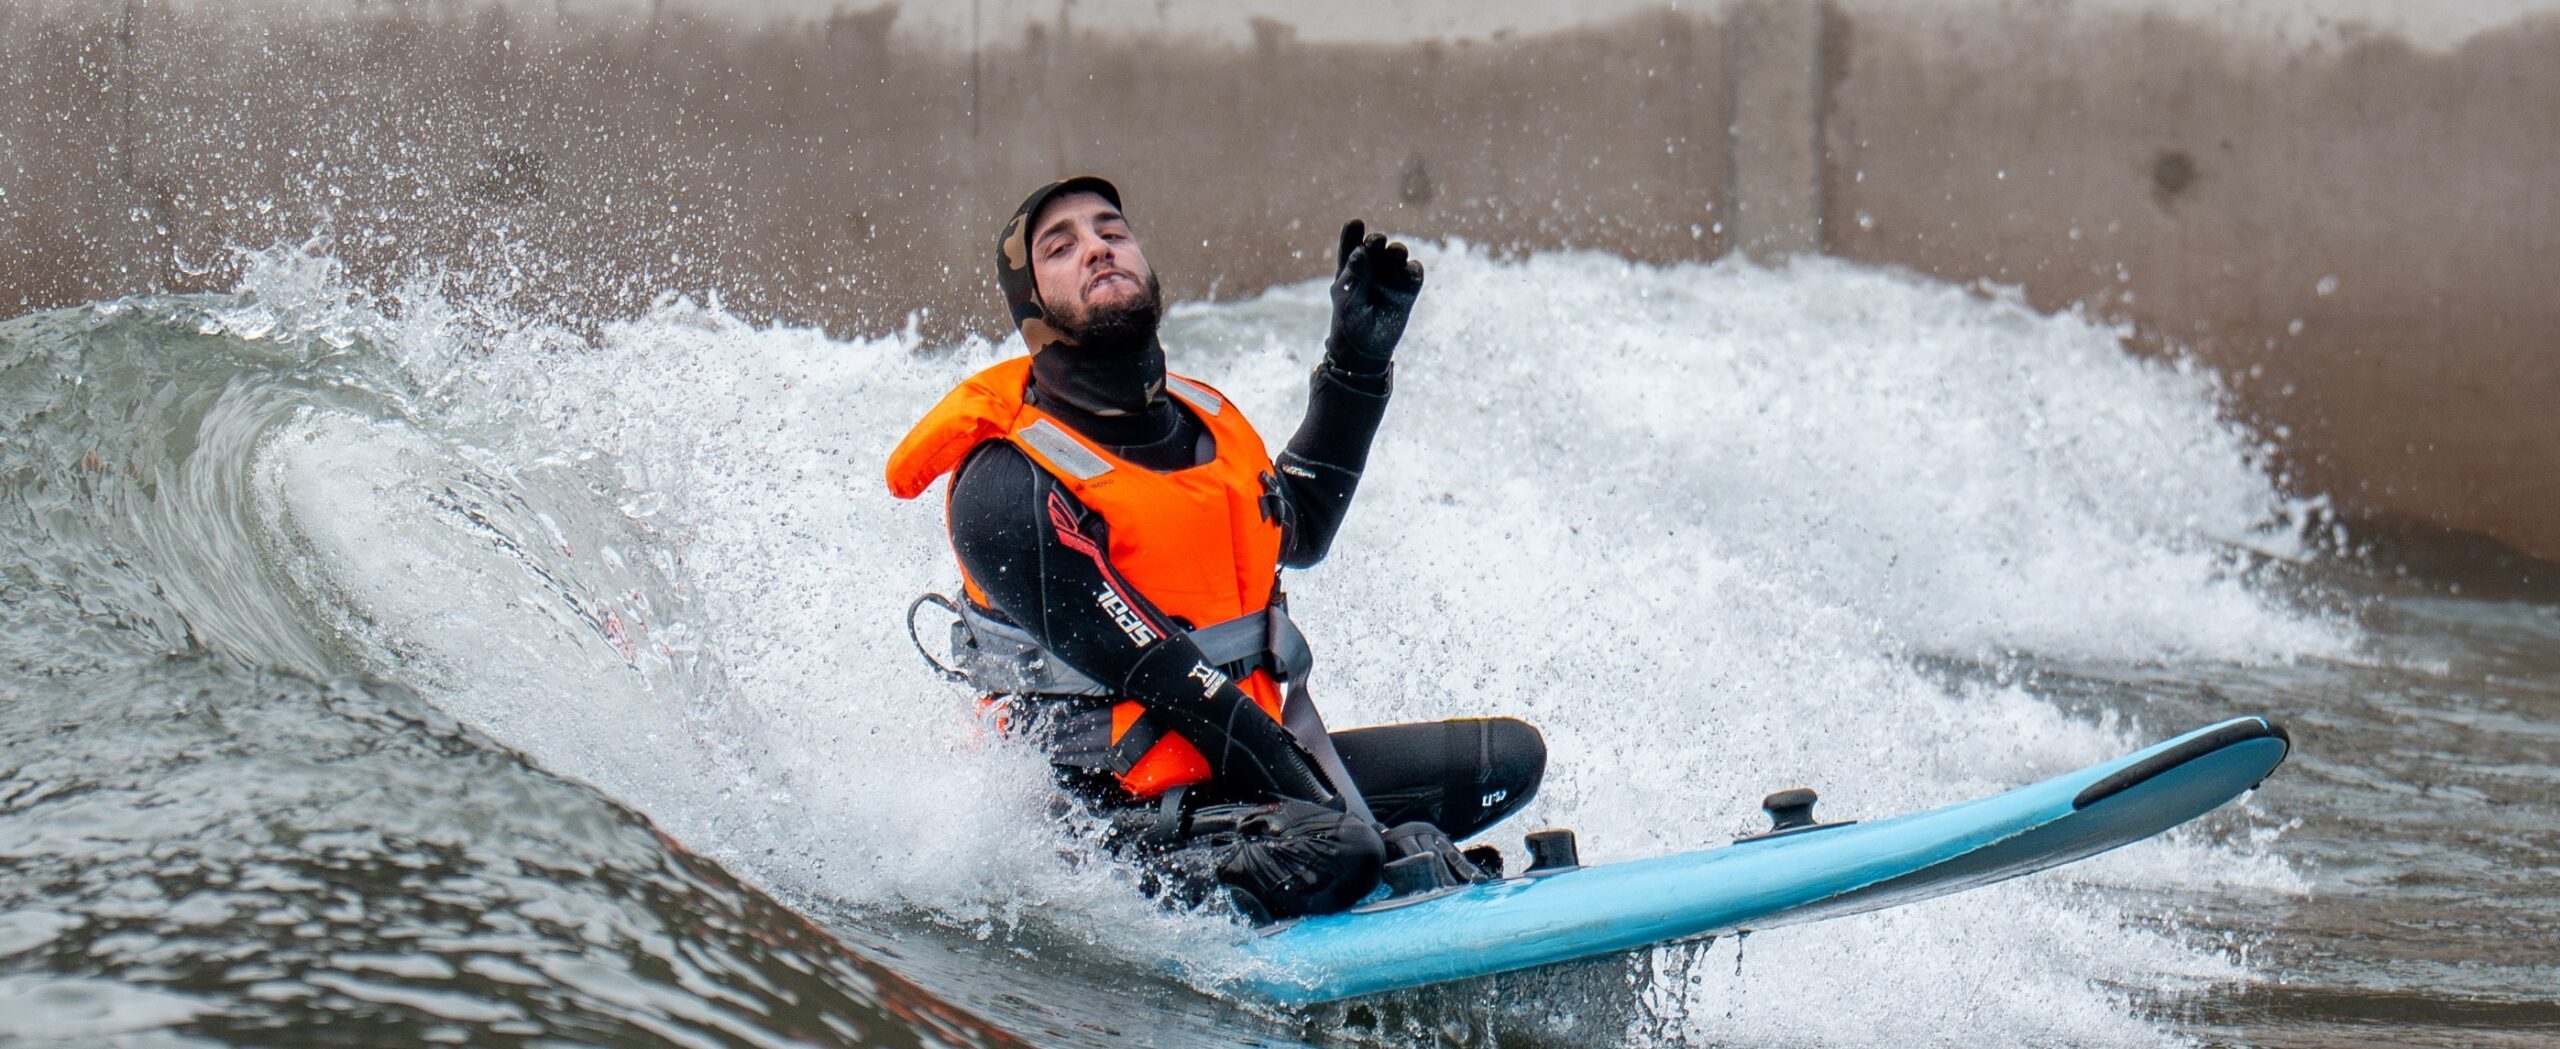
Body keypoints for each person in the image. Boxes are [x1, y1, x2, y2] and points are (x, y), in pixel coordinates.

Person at [886, 176, 1545, 921]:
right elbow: (1172, 683)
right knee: (1343, 849)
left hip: (1241, 768)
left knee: (1510, 760)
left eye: (1112, 229)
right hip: (1097, 821)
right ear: (1031, 305)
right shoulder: (1006, 481)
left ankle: (1329, 846)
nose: (1097, 247)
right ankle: (1330, 855)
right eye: (1061, 246)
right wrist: (1368, 828)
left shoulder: (1204, 420)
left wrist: (1356, 367)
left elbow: (1300, 525)